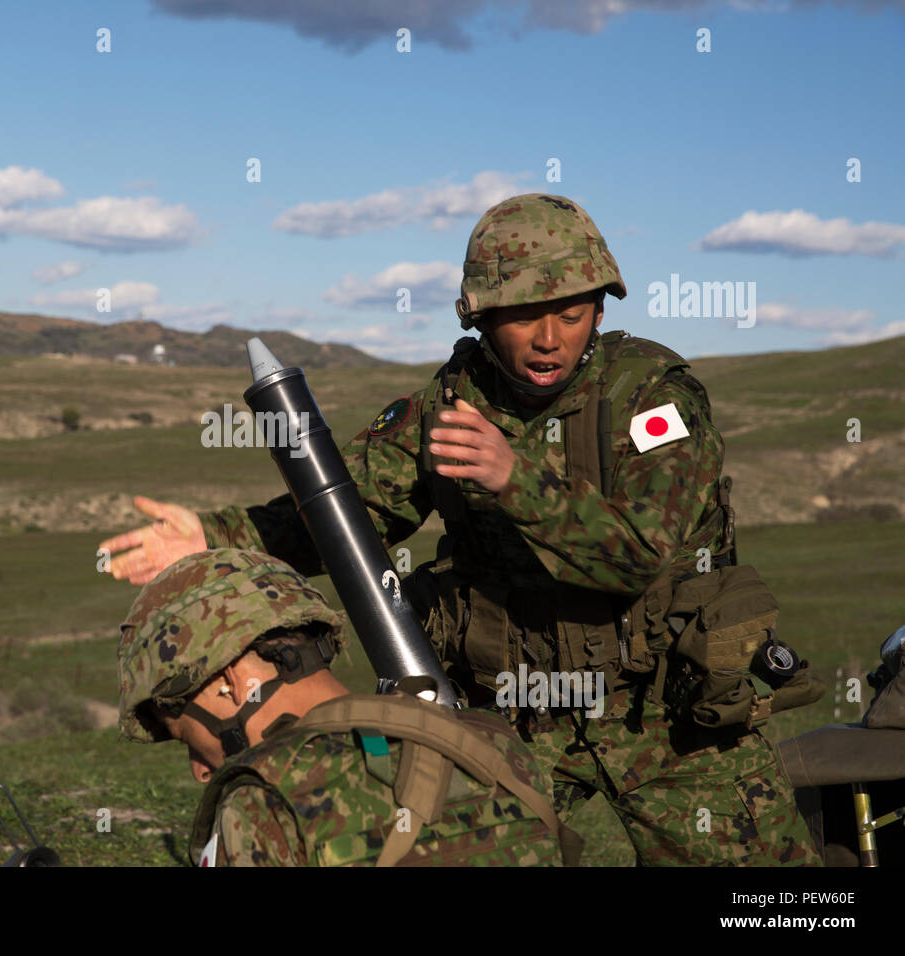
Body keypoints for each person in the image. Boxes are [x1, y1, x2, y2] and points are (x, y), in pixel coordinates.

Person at [101, 193, 819, 865]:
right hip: (513, 716)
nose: (549, 340)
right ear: (478, 315)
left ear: (600, 310)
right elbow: (348, 516)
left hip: (667, 715)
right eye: (523, 317)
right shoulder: (447, 404)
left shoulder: (653, 399)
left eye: (571, 315)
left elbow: (641, 551)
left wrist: (514, 480)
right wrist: (215, 535)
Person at [118, 548, 563, 866]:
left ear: (229, 684)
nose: (199, 770)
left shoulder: (264, 804)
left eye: (185, 736)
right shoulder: (496, 744)